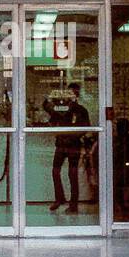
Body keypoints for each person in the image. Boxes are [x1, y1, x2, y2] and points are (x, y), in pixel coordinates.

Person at [43, 83, 91, 213]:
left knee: (72, 174)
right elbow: (50, 114)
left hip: (74, 145)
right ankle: (60, 198)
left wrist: (72, 136)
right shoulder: (61, 108)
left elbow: (86, 127)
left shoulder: (80, 110)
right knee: (55, 171)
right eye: (68, 93)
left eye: (73, 93)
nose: (70, 95)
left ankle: (73, 204)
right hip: (61, 144)